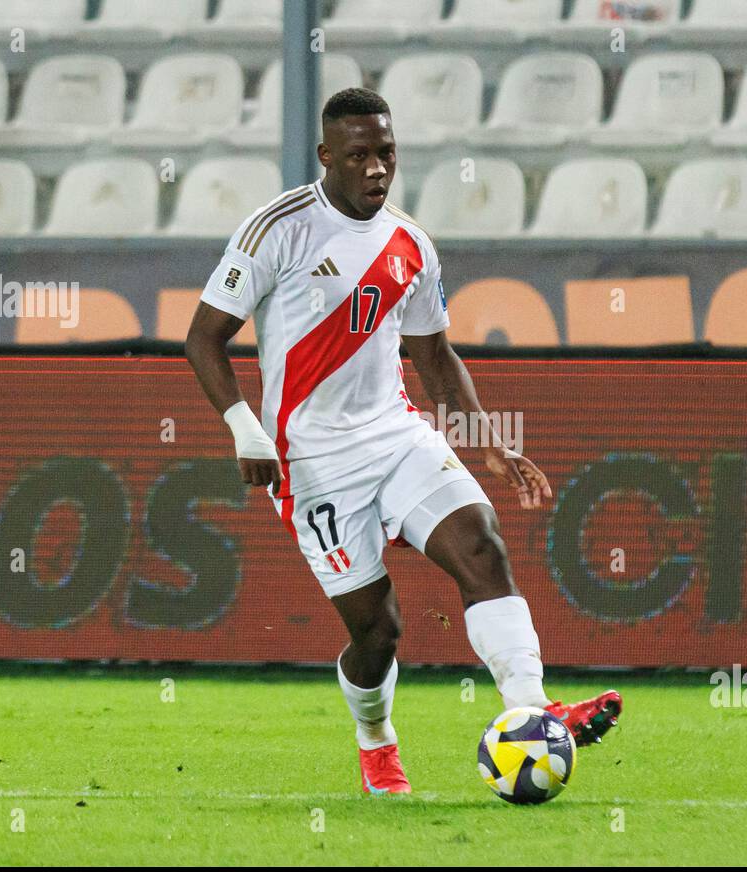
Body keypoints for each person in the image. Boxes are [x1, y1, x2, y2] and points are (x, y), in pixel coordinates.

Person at [186, 88, 623, 795]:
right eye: (358, 156)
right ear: (327, 157)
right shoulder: (279, 229)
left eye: (386, 154)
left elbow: (436, 357)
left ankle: (534, 712)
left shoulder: (410, 243)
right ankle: (375, 740)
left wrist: (488, 439)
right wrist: (246, 428)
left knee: (483, 546)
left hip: (394, 434)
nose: (376, 170)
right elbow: (203, 337)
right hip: (314, 463)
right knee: (378, 634)